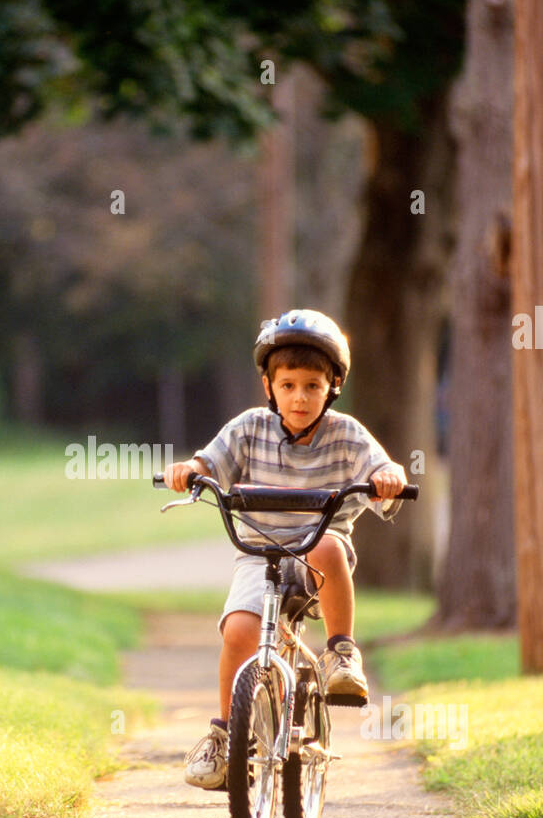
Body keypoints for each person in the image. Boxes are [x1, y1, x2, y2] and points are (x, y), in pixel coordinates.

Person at [161, 309, 407, 791]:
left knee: (327, 550)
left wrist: (388, 477)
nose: (300, 397)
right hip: (259, 553)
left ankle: (340, 653)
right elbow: (211, 460)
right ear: (268, 386)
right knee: (238, 632)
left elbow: (380, 464)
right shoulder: (249, 428)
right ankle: (226, 736)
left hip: (320, 551)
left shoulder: (346, 433)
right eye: (288, 384)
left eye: (312, 386)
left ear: (332, 386)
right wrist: (190, 469)